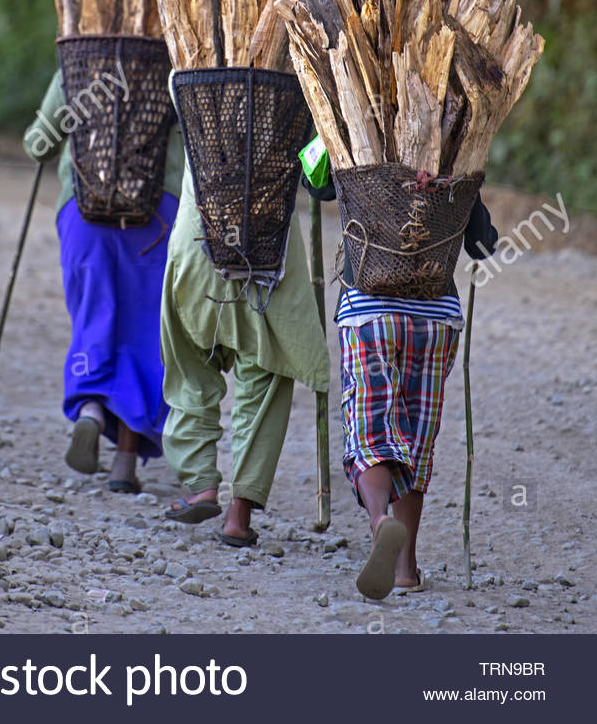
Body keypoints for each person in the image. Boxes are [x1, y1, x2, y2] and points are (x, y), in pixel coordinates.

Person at [305, 169, 497, 599]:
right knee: (415, 443)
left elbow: (315, 181)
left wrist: (319, 135)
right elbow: (483, 244)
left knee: (371, 434)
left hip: (370, 313)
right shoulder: (454, 152)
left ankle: (379, 523)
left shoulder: (357, 148)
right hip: (435, 321)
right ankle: (406, 569)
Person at [161, 140, 330, 548]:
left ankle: (201, 484)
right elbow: (318, 171)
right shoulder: (305, 84)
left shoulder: (185, 76)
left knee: (190, 365)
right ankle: (239, 514)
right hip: (269, 251)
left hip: (197, 244)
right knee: (266, 372)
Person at [23, 69, 185, 492]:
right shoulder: (176, 64)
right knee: (146, 336)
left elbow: (38, 146)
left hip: (84, 212)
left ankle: (91, 409)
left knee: (94, 321)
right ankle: (124, 464)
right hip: (157, 218)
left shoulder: (77, 62)